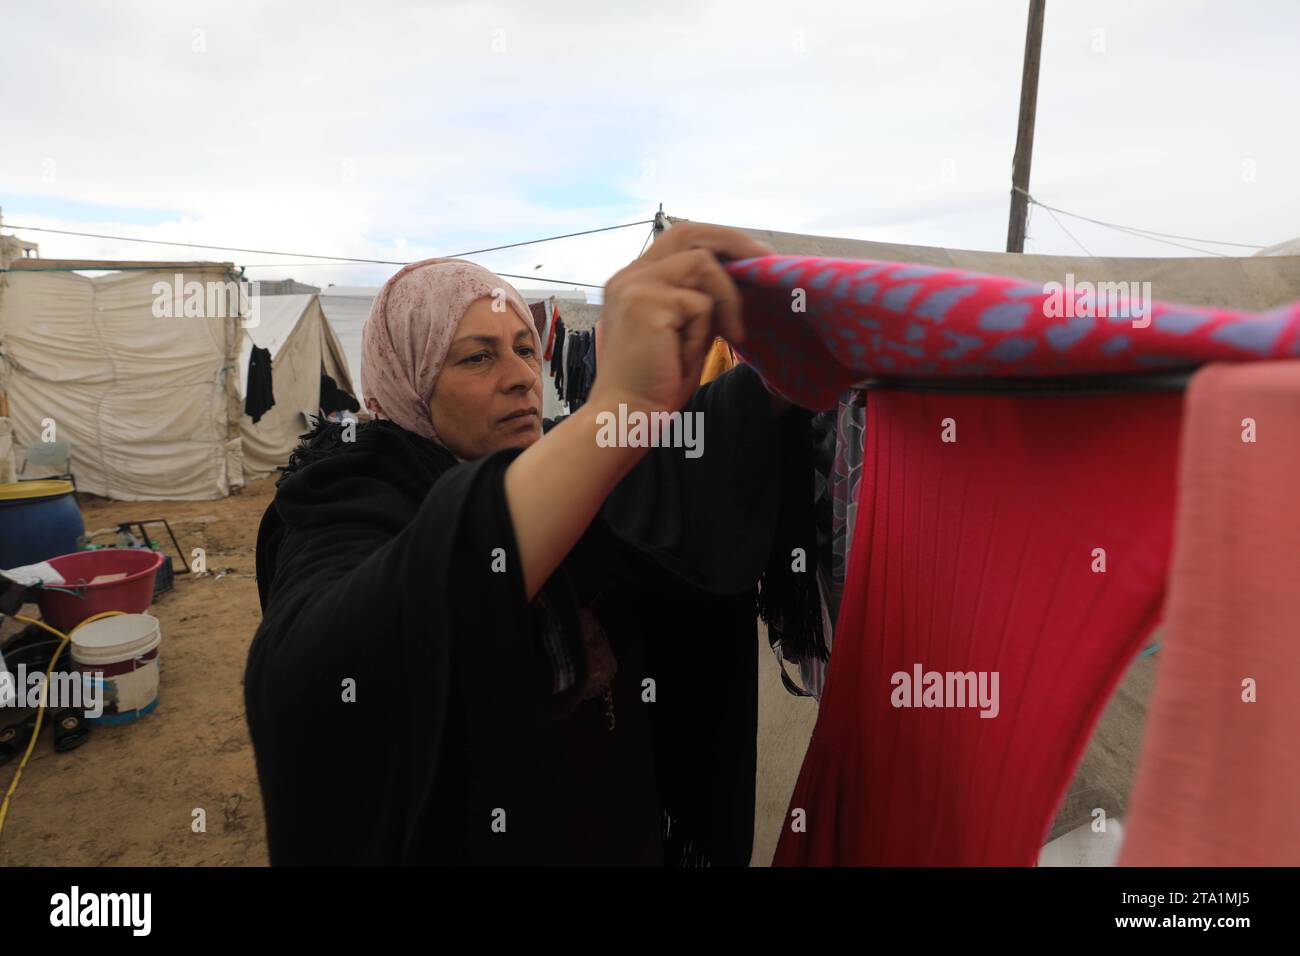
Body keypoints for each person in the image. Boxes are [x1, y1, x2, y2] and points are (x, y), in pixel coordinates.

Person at [244, 223, 815, 865]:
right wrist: (616, 408)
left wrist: (780, 377)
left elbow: (668, 462)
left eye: (523, 348)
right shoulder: (349, 495)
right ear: (409, 377)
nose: (521, 377)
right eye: (477, 357)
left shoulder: (550, 457)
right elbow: (320, 672)